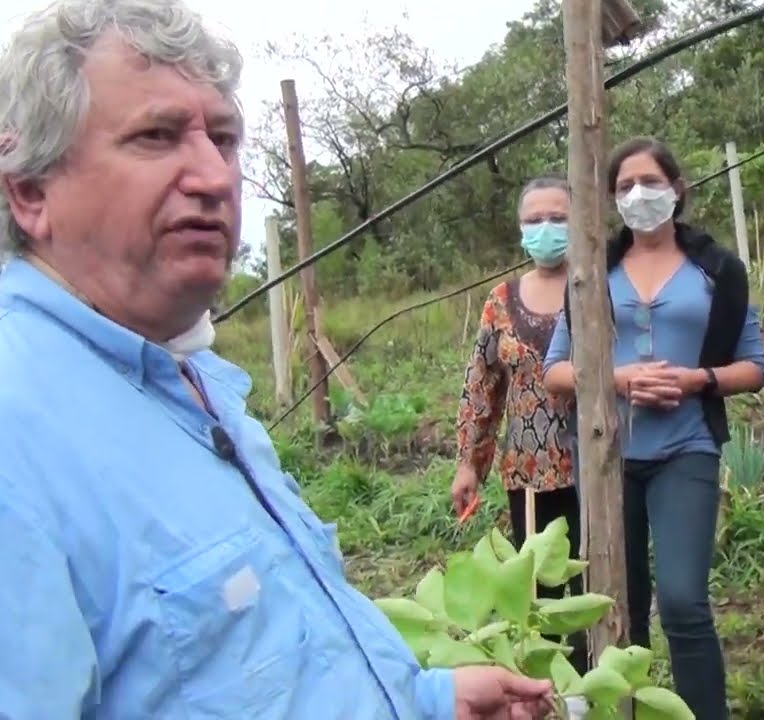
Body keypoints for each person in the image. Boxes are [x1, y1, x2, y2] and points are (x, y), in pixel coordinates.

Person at [0, 1, 552, 717]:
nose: (212, 175)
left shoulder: (193, 385)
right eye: (157, 136)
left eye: (223, 139)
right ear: (30, 191)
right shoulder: (19, 433)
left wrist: (424, 700)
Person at [542, 136, 764, 720]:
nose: (638, 195)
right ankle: (627, 710)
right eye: (624, 187)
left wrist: (698, 380)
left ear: (678, 189)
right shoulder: (592, 274)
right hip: (608, 455)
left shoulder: (717, 269)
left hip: (685, 448)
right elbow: (557, 371)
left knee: (684, 600)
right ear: (611, 200)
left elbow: (755, 367)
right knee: (621, 603)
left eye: (650, 183)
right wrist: (617, 380)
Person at [453, 174, 588, 674]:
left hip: (597, 462)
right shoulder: (501, 301)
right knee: (541, 587)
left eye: (558, 218)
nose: (546, 228)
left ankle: (603, 685)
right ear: (520, 228)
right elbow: (481, 388)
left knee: (598, 581)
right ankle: (553, 689)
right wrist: (470, 463)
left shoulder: (597, 285)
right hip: (529, 472)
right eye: (534, 220)